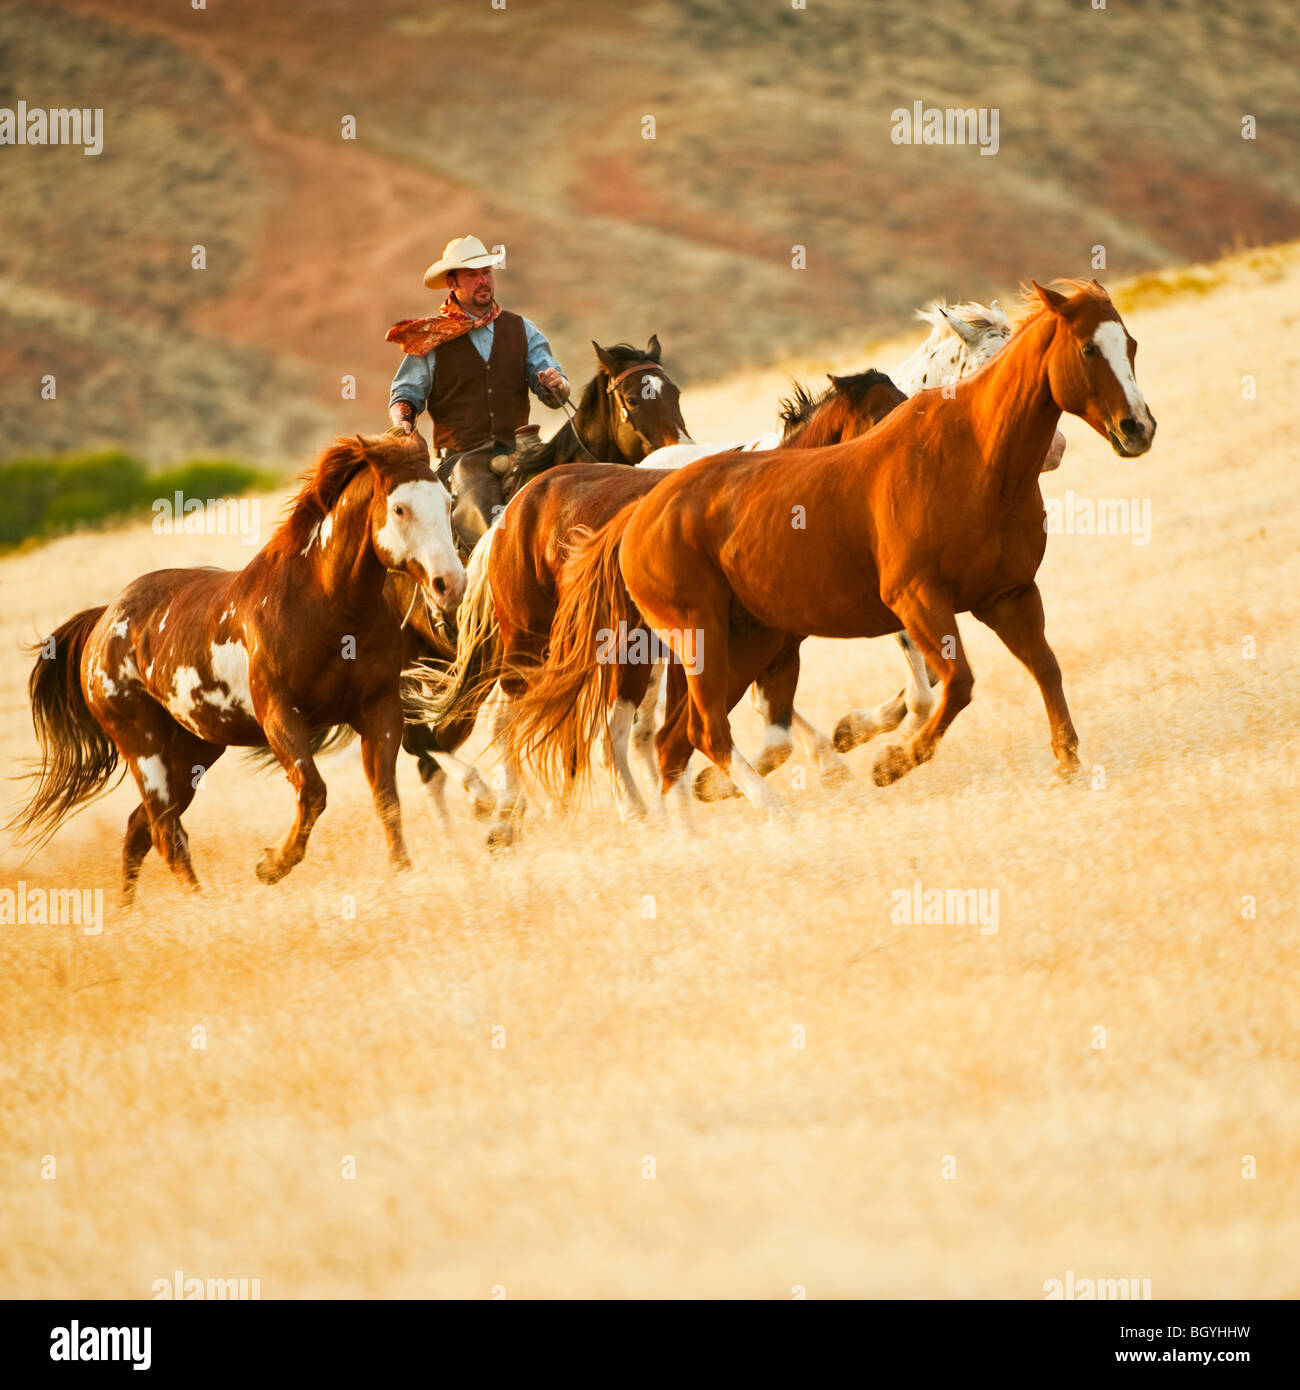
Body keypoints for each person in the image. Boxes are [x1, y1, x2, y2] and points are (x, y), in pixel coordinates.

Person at [386, 236, 569, 550]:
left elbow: (552, 389)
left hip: (522, 449)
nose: (483, 280)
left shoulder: (522, 329)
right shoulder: (431, 339)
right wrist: (403, 425)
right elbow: (405, 393)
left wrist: (557, 385)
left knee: (569, 497)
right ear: (452, 283)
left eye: (486, 272)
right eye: (472, 275)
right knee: (488, 530)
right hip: (462, 458)